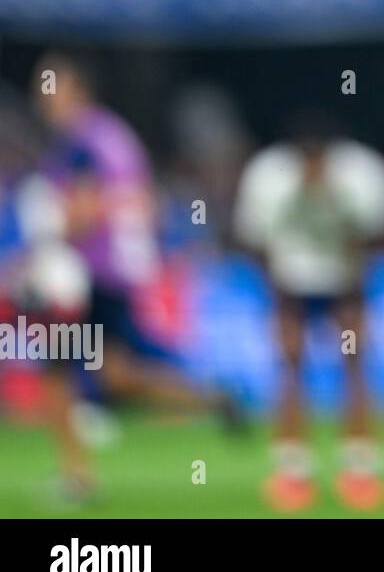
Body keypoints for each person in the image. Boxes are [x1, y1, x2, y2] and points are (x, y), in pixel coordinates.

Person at [30, 51, 241, 430]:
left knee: (77, 363)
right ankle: (212, 400)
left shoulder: (85, 141)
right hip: (112, 266)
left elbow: (86, 208)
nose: (42, 96)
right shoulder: (104, 134)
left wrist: (42, 237)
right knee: (106, 369)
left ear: (77, 89)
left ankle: (78, 458)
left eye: (50, 86)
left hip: (99, 270)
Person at [233, 117, 384, 512]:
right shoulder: (267, 177)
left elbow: (380, 233)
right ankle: (292, 470)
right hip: (290, 282)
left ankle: (360, 468)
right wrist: (274, 285)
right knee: (290, 365)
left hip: (345, 282)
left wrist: (357, 269)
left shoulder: (362, 173)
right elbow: (253, 239)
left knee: (356, 364)